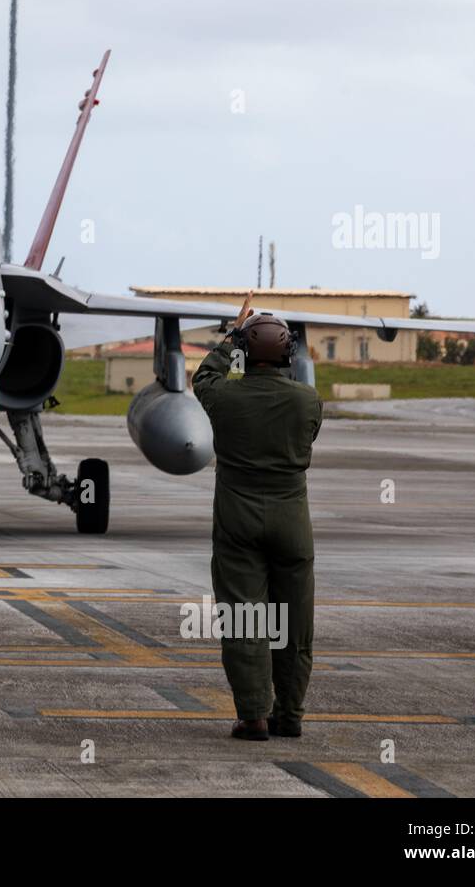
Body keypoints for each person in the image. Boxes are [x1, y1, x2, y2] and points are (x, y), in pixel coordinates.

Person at [191, 293, 322, 741]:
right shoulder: (308, 401)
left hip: (238, 522)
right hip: (292, 522)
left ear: (245, 351)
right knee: (295, 622)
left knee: (246, 620)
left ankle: (253, 717)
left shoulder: (224, 395)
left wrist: (232, 337)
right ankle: (291, 716)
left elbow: (204, 375)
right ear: (288, 353)